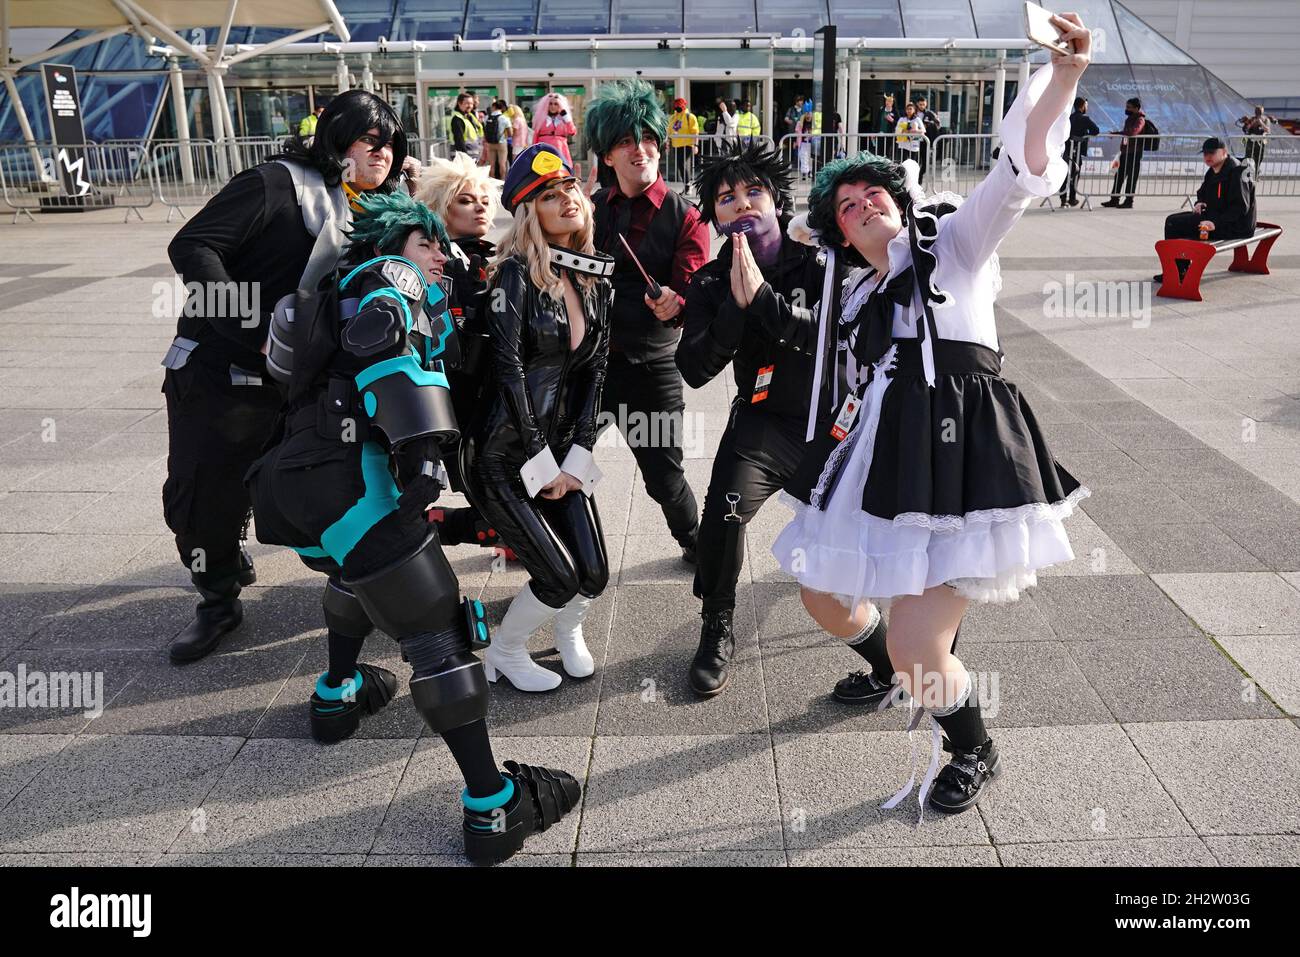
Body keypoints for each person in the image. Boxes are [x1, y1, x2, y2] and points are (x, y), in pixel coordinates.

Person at [773, 14, 1093, 816]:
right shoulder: (856, 299)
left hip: (961, 458)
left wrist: (1063, 79)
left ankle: (971, 741)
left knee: (921, 645)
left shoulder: (955, 246)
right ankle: (901, 667)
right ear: (841, 238)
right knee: (822, 593)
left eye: (872, 189)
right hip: (882, 460)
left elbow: (1016, 174)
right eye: (845, 206)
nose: (863, 202)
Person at [249, 188, 580, 863]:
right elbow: (385, 338)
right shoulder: (386, 277)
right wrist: (422, 454)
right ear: (394, 242)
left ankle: (337, 695)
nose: (438, 253)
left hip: (299, 486)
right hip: (354, 481)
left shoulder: (334, 292)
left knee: (358, 576)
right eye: (426, 240)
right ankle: (493, 806)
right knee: (435, 627)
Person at [162, 90, 410, 665]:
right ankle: (218, 595)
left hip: (307, 383)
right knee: (205, 500)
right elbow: (194, 244)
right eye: (369, 139)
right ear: (335, 136)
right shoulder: (276, 183)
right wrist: (252, 324)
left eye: (392, 144)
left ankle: (353, 587)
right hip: (222, 374)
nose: (383, 153)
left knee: (323, 487)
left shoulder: (381, 205)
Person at [677, 142, 832, 697]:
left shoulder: (822, 257)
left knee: (882, 525)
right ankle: (716, 623)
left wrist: (765, 301)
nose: (741, 204)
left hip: (836, 423)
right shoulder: (711, 282)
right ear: (714, 215)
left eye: (753, 192)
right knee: (723, 510)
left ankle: (905, 642)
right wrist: (733, 312)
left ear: (776, 199)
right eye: (726, 198)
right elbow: (693, 368)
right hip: (764, 422)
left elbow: (837, 340)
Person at [463, 143, 613, 692]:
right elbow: (507, 372)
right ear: (531, 214)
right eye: (549, 196)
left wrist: (579, 456)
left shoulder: (595, 277)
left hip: (558, 453)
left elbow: (594, 376)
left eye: (569, 188)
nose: (566, 200)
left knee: (593, 574)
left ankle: (567, 630)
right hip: (503, 453)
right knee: (557, 574)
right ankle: (503, 650)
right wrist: (540, 461)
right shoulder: (514, 277)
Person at [584, 79, 710, 562]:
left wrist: (678, 303)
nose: (640, 149)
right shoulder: (590, 209)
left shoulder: (686, 216)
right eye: (625, 142)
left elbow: (693, 290)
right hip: (589, 367)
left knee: (663, 476)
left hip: (650, 370)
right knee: (556, 461)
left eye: (648, 139)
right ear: (608, 156)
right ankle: (550, 545)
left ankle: (695, 542)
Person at [413, 152, 505, 550]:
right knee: (478, 486)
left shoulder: (495, 254)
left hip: (497, 393)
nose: (480, 206)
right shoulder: (433, 260)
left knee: (503, 488)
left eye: (484, 198)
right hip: (449, 396)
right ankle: (443, 526)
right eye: (466, 200)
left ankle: (498, 531)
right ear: (441, 208)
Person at [1162, 137, 1256, 242]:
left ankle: (1179, 257)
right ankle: (1178, 257)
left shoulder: (1236, 172)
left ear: (1224, 152)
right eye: (1205, 153)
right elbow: (1202, 191)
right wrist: (1200, 202)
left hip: (1236, 226)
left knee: (1174, 224)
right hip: (1217, 217)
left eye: (1212, 153)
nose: (1207, 156)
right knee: (1173, 220)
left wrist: (1215, 223)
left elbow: (1240, 207)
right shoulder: (1213, 170)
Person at [1101, 96, 1146, 208]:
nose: (1126, 109)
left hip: (1134, 152)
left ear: (1136, 108)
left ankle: (1129, 201)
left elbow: (1133, 132)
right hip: (1125, 151)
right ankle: (1114, 199)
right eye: (1126, 106)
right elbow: (1126, 132)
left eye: (1129, 107)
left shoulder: (1140, 120)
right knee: (1119, 176)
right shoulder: (1129, 119)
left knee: (1131, 177)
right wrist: (1116, 133)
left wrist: (1119, 133)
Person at [1060, 96, 1099, 207]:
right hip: (1077, 151)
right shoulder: (1085, 119)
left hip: (1066, 150)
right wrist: (1085, 133)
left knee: (1065, 173)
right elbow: (1096, 130)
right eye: (1086, 105)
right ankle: (1072, 198)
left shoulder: (1069, 118)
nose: (1087, 107)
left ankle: (1063, 198)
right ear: (1082, 106)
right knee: (1075, 173)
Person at [533, 93, 578, 169]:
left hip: (561, 148)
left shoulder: (564, 119)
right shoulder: (541, 118)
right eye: (550, 104)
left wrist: (567, 119)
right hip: (545, 149)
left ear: (560, 105)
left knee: (561, 172)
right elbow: (535, 136)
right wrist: (534, 151)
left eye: (556, 104)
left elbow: (572, 132)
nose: (553, 106)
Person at [668, 98, 700, 192]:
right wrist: (668, 144)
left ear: (683, 106)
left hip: (687, 144)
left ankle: (688, 184)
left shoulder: (690, 117)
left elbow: (695, 132)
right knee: (680, 165)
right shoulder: (673, 117)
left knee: (683, 164)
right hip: (676, 145)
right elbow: (669, 132)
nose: (677, 107)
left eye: (679, 106)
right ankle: (686, 184)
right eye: (676, 106)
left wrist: (696, 145)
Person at [449, 91, 484, 163]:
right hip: (464, 158)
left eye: (471, 103)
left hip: (471, 157)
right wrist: (464, 158)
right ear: (459, 103)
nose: (470, 106)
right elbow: (459, 140)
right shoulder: (457, 119)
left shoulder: (468, 116)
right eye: (467, 103)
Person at [1239, 106, 1275, 171]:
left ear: (1262, 112)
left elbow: (1268, 130)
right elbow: (1245, 129)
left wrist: (1261, 123)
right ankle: (1248, 174)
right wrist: (1250, 123)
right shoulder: (1251, 119)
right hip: (1250, 142)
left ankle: (1256, 175)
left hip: (1260, 142)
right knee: (1248, 158)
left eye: (1260, 111)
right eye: (1257, 111)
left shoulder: (1266, 119)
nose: (1258, 113)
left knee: (1258, 159)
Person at [914, 97, 941, 185]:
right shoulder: (913, 113)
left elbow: (938, 124)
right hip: (913, 141)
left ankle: (920, 175)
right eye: (920, 104)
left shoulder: (930, 113)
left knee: (925, 161)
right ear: (917, 104)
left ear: (926, 104)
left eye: (923, 104)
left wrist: (929, 125)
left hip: (926, 141)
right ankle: (914, 179)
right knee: (914, 161)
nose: (922, 106)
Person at [483, 99, 510, 179]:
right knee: (502, 163)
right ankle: (503, 181)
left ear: (493, 107)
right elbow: (510, 133)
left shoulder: (487, 117)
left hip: (490, 143)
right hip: (501, 143)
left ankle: (492, 181)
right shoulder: (504, 118)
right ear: (501, 108)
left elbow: (485, 129)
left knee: (492, 164)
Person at [894, 102, 924, 169]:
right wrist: (904, 130)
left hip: (914, 145)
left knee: (913, 164)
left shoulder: (917, 119)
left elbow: (923, 130)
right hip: (903, 144)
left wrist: (915, 130)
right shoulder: (902, 119)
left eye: (910, 109)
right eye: (907, 109)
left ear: (914, 110)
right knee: (903, 164)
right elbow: (897, 130)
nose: (909, 111)